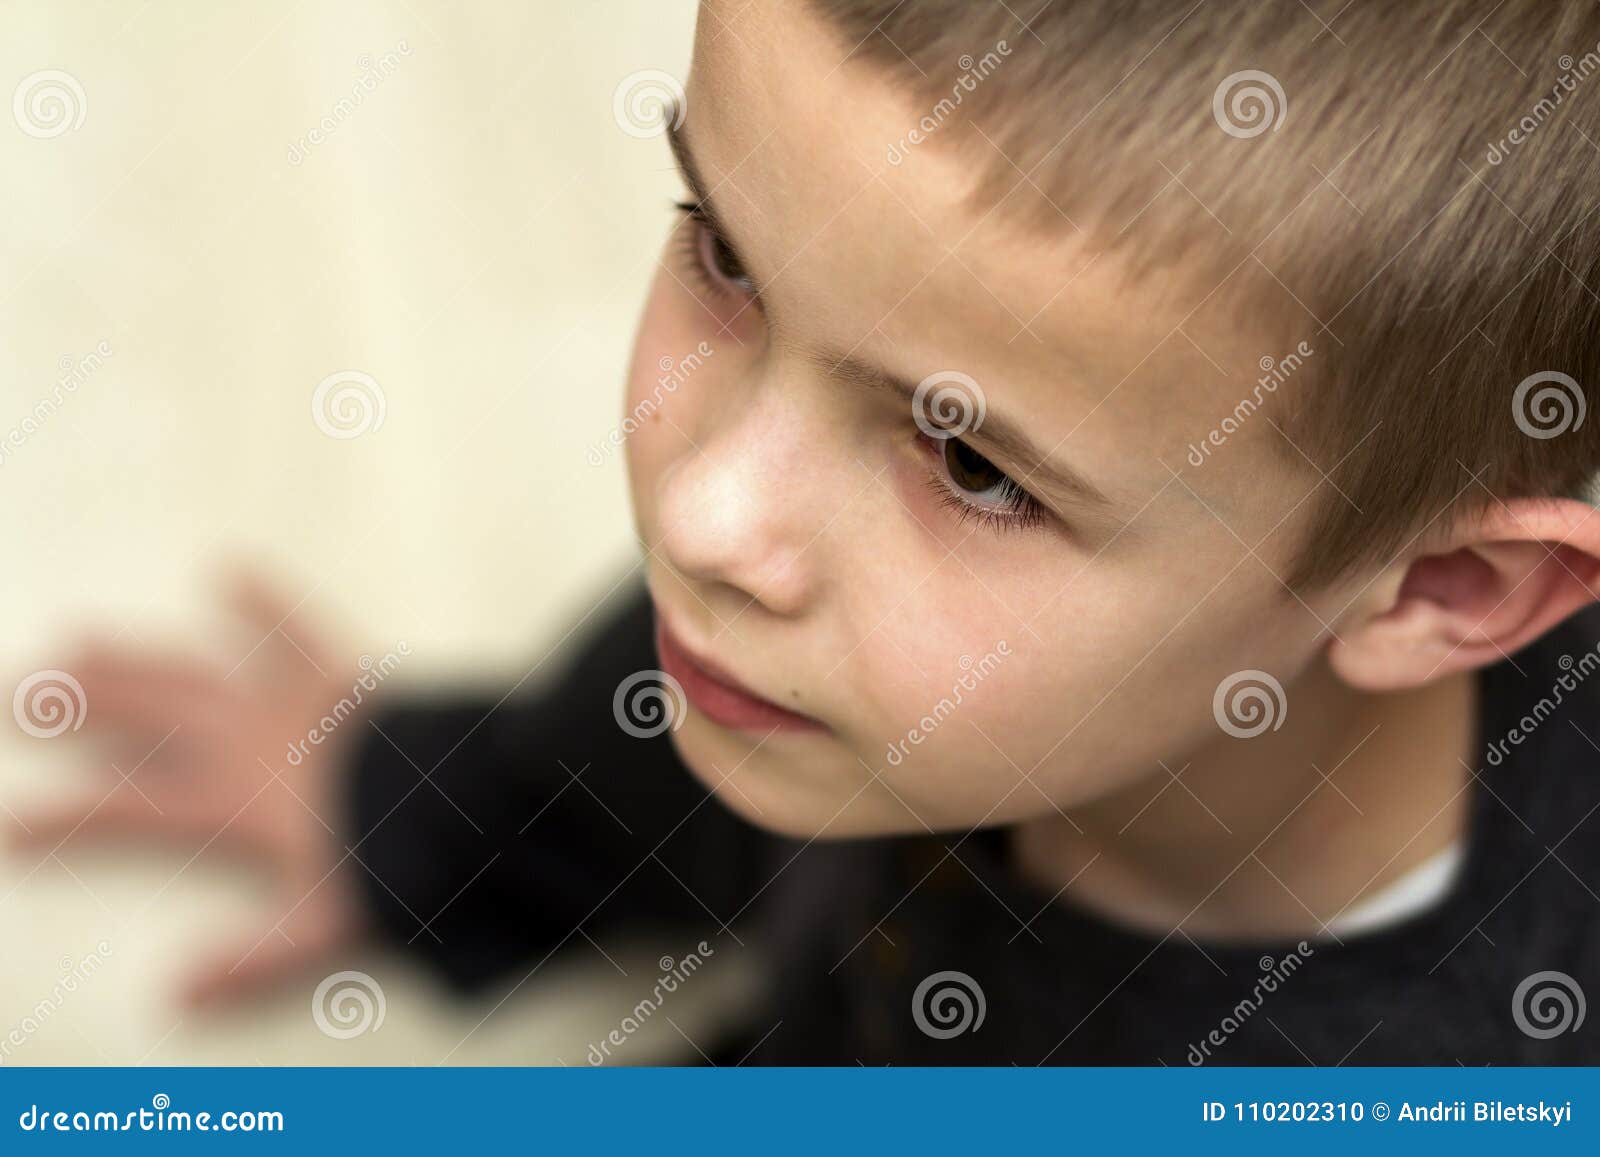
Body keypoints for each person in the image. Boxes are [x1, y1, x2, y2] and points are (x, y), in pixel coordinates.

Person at [19, 0, 1600, 1063]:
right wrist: (425, 815)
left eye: (972, 462)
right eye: (725, 255)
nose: (705, 512)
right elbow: (683, 757)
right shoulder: (922, 665)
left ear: (1450, 585)